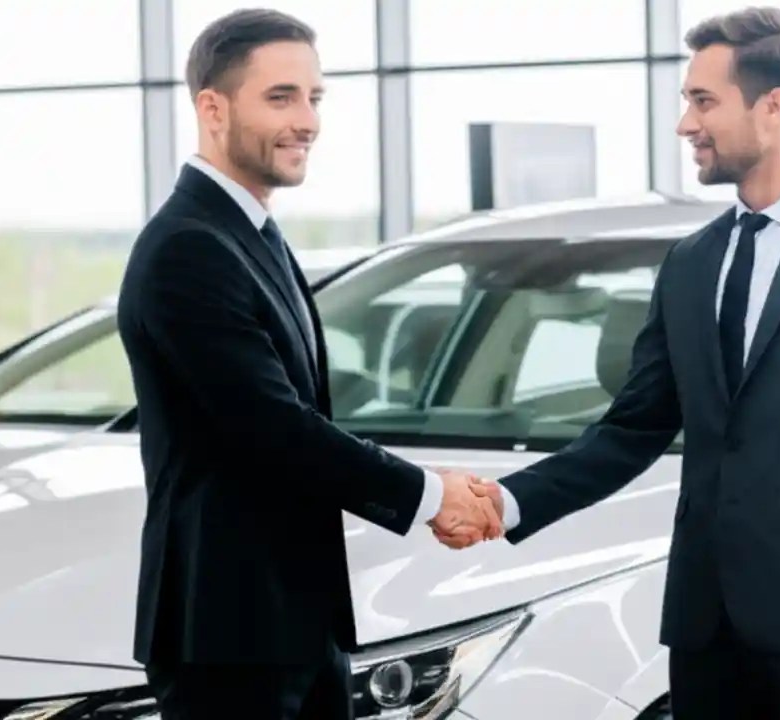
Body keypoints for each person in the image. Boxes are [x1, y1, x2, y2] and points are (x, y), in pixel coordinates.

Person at [439, 7, 780, 719]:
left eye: (702, 101)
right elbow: (632, 429)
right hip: (702, 625)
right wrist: (509, 501)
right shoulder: (690, 262)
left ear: (773, 107)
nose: (685, 123)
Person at [116, 9, 500, 719]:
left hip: (292, 619)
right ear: (212, 108)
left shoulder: (250, 233)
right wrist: (428, 495)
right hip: (228, 628)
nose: (308, 120)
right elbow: (274, 428)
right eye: (281, 97)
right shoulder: (188, 248)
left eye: (315, 97)